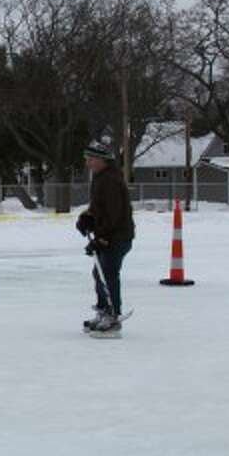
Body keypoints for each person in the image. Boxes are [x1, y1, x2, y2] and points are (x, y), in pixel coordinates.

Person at [76, 140, 135, 336]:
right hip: (110, 235)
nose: (88, 163)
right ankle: (103, 311)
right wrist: (86, 218)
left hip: (117, 236)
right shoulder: (101, 177)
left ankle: (112, 316)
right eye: (87, 159)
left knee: (107, 274)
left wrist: (101, 238)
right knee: (99, 273)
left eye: (90, 159)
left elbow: (114, 214)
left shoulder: (110, 180)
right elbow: (99, 208)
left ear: (101, 160)